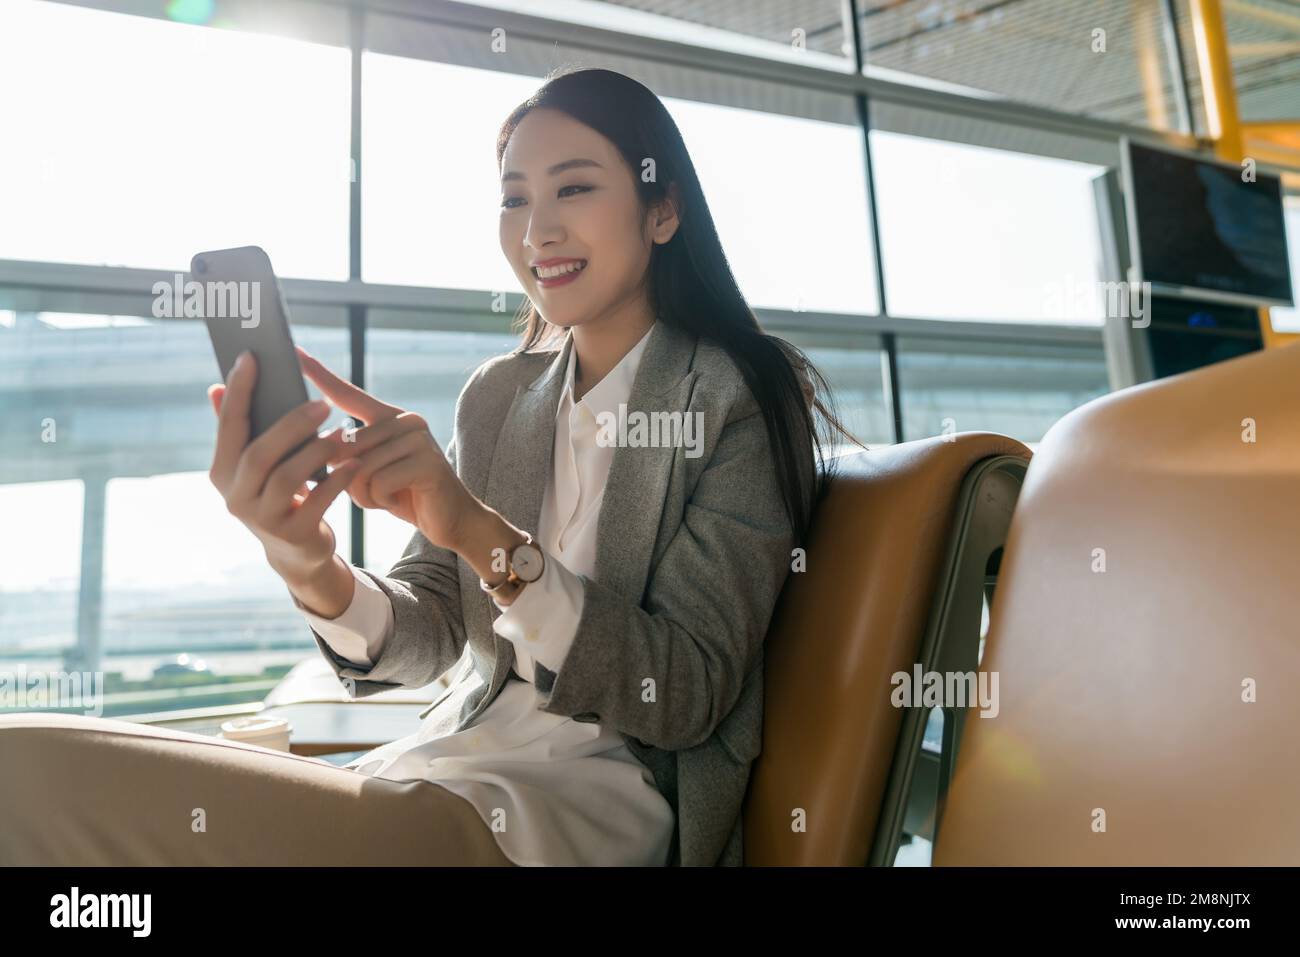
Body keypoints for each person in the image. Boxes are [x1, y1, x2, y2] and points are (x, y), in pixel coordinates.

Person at [0, 67, 863, 867]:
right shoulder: (498, 399)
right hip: (445, 765)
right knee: (28, 776)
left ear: (662, 209)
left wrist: (486, 538)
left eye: (573, 188)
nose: (537, 230)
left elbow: (683, 691)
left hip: (590, 807)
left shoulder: (734, 395)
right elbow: (431, 635)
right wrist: (309, 562)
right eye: (514, 198)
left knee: (33, 782)